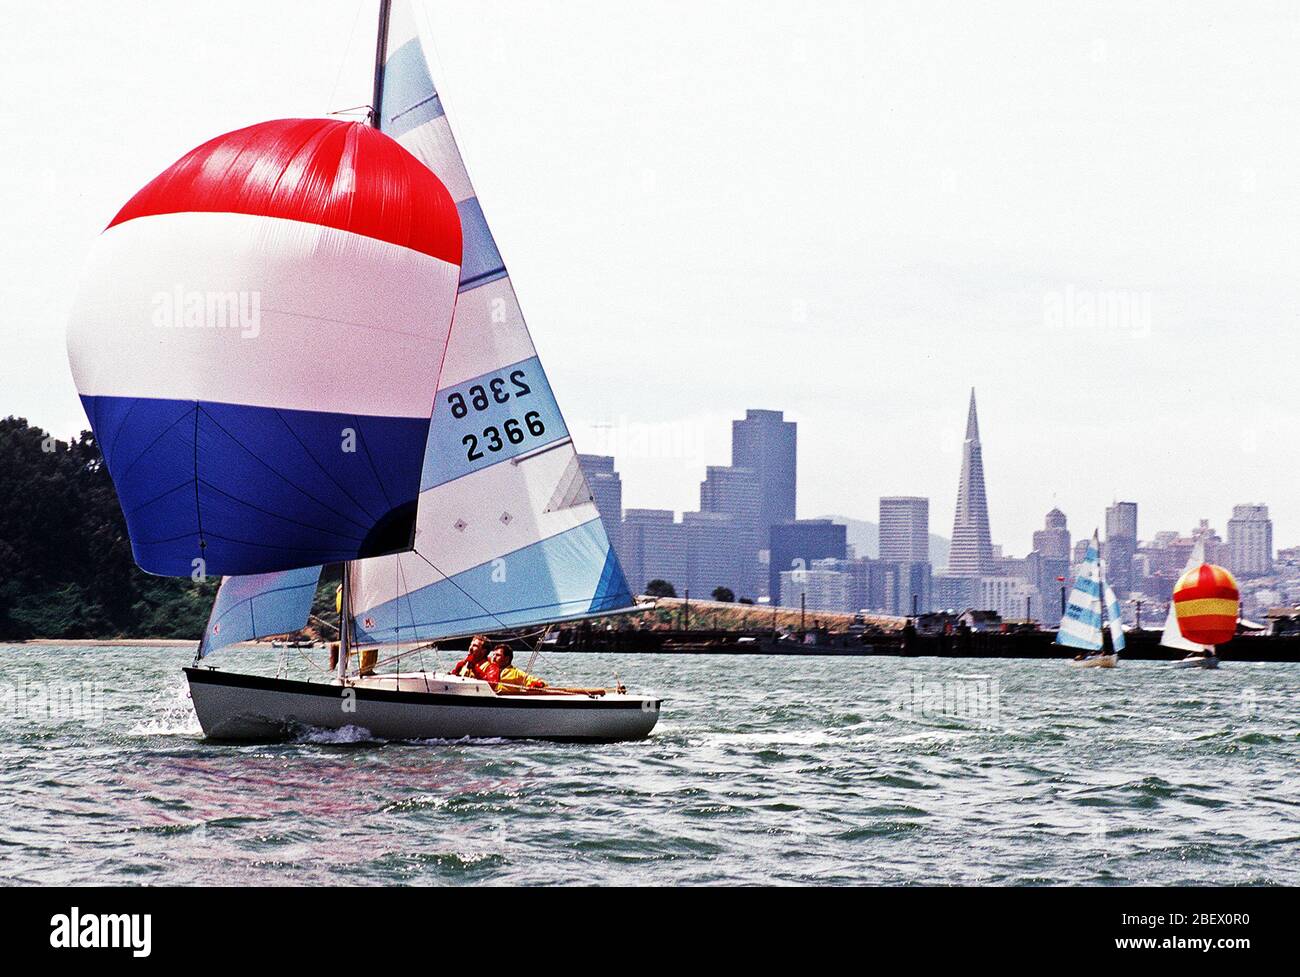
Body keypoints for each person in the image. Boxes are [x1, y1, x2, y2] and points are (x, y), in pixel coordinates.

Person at [482, 646, 546, 693]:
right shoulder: (486, 668)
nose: (494, 657)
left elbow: (535, 681)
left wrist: (539, 684)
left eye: (498, 655)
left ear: (506, 659)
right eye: (493, 655)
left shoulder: (516, 673)